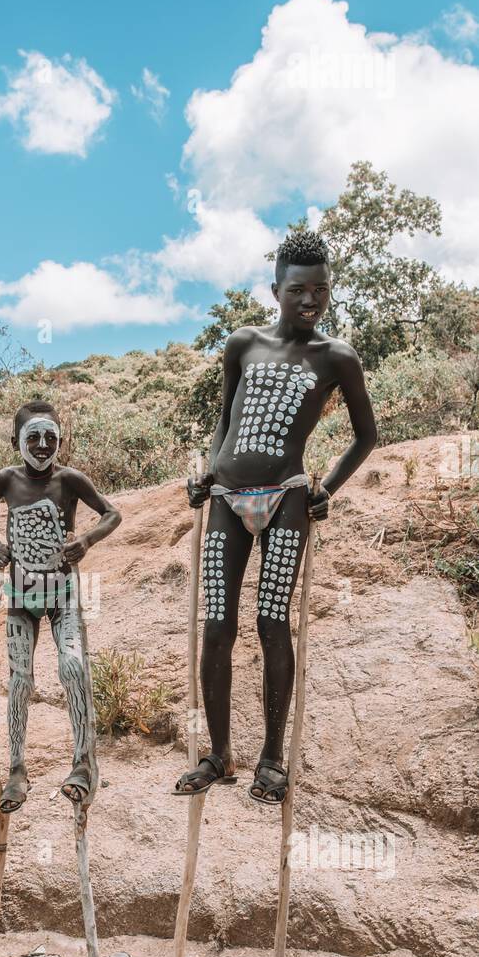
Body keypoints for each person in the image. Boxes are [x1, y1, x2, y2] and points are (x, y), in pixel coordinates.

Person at [177, 229, 377, 805]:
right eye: (299, 290)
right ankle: (218, 754)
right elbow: (225, 420)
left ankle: (271, 758)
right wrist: (208, 474)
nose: (311, 300)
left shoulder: (337, 357)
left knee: (272, 623)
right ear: (275, 290)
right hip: (227, 499)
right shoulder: (242, 344)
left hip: (288, 497)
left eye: (321, 290)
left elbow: (367, 436)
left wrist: (328, 489)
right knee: (217, 626)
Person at [0, 400, 121, 812]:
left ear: (62, 441)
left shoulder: (70, 480)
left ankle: (82, 764)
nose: (43, 445)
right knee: (20, 681)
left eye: (51, 438)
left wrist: (87, 541)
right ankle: (17, 770)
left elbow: (113, 513)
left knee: (73, 666)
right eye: (34, 437)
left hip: (62, 593)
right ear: (15, 441)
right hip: (20, 595)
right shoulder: (4, 481)